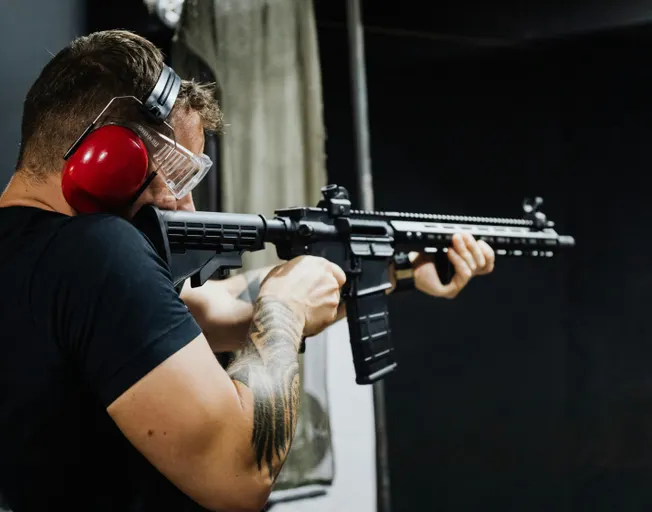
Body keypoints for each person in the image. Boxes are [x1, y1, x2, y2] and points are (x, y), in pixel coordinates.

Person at [0, 30, 495, 512]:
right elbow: (239, 474)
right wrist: (285, 308)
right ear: (111, 161)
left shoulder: (34, 256)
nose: (187, 208)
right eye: (179, 174)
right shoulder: (99, 251)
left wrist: (397, 271)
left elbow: (209, 309)